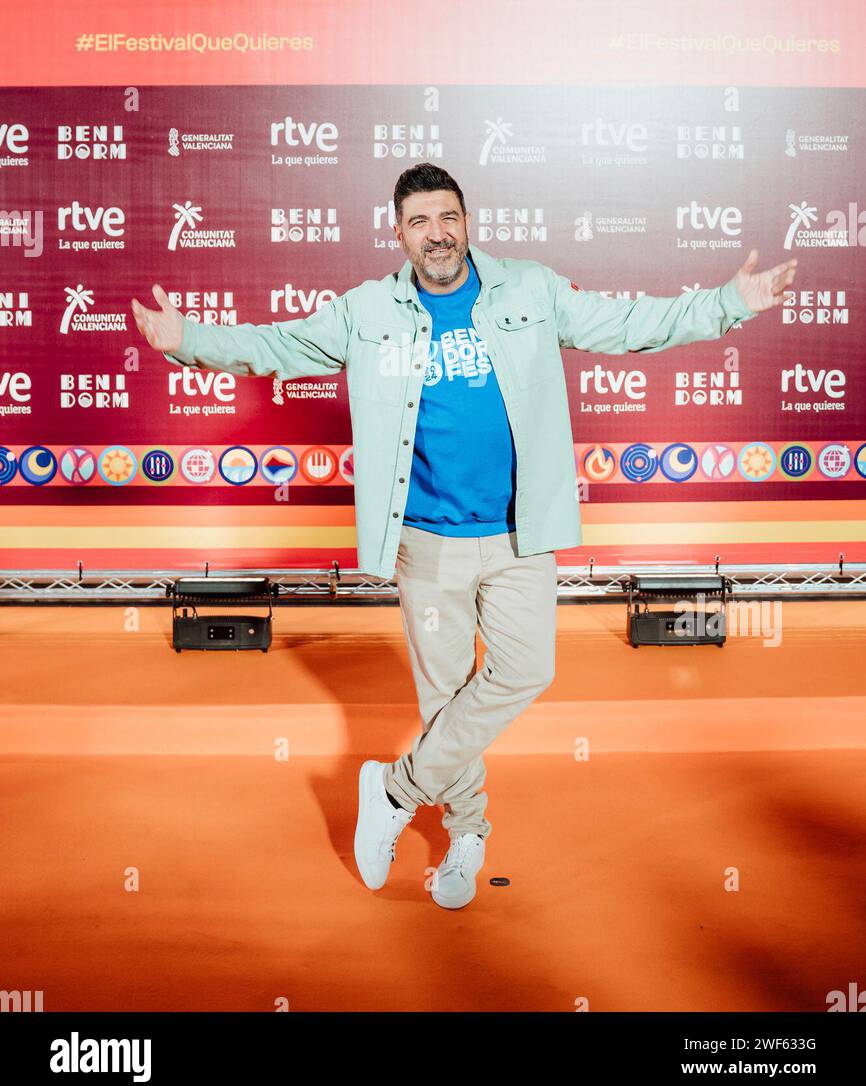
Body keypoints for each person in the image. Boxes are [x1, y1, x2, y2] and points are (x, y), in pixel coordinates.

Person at [131, 162, 797, 910]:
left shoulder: (530, 290)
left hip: (521, 533)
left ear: (467, 221)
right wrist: (186, 338)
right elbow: (278, 346)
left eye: (447, 217)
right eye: (419, 222)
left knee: (525, 671)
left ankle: (393, 790)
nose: (436, 234)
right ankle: (466, 835)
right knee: (447, 697)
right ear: (399, 233)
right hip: (427, 541)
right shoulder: (367, 312)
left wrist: (730, 303)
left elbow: (630, 325)